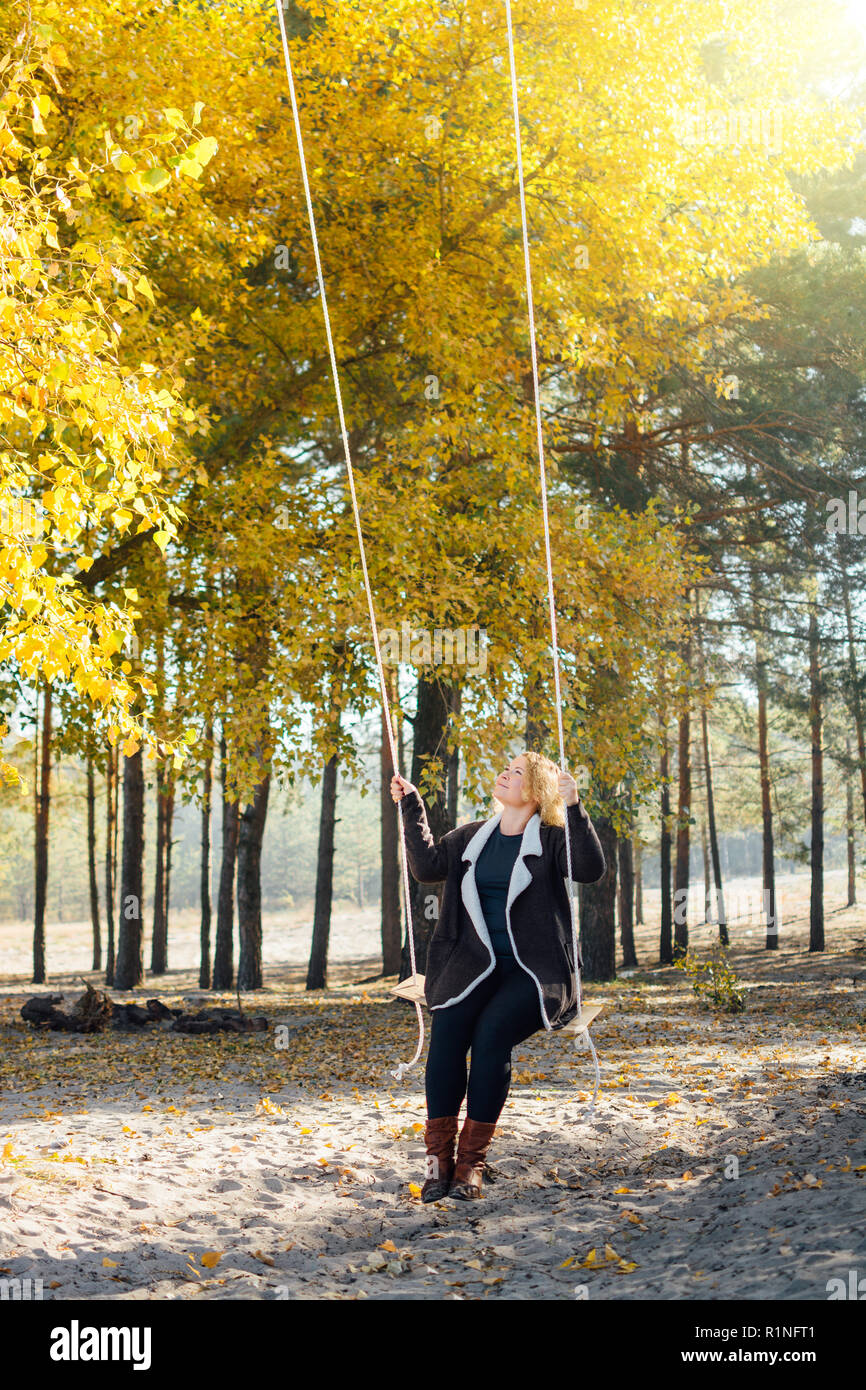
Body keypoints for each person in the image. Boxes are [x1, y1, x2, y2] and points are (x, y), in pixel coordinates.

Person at [390, 750, 606, 1202]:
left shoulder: (550, 839)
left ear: (536, 791)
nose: (505, 775)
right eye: (505, 770)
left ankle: (470, 1164)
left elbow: (589, 870)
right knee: (448, 1032)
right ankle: (438, 1164)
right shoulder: (471, 837)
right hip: (472, 964)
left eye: (516, 773)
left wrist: (574, 806)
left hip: (534, 971)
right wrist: (411, 806)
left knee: (491, 1035)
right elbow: (428, 868)